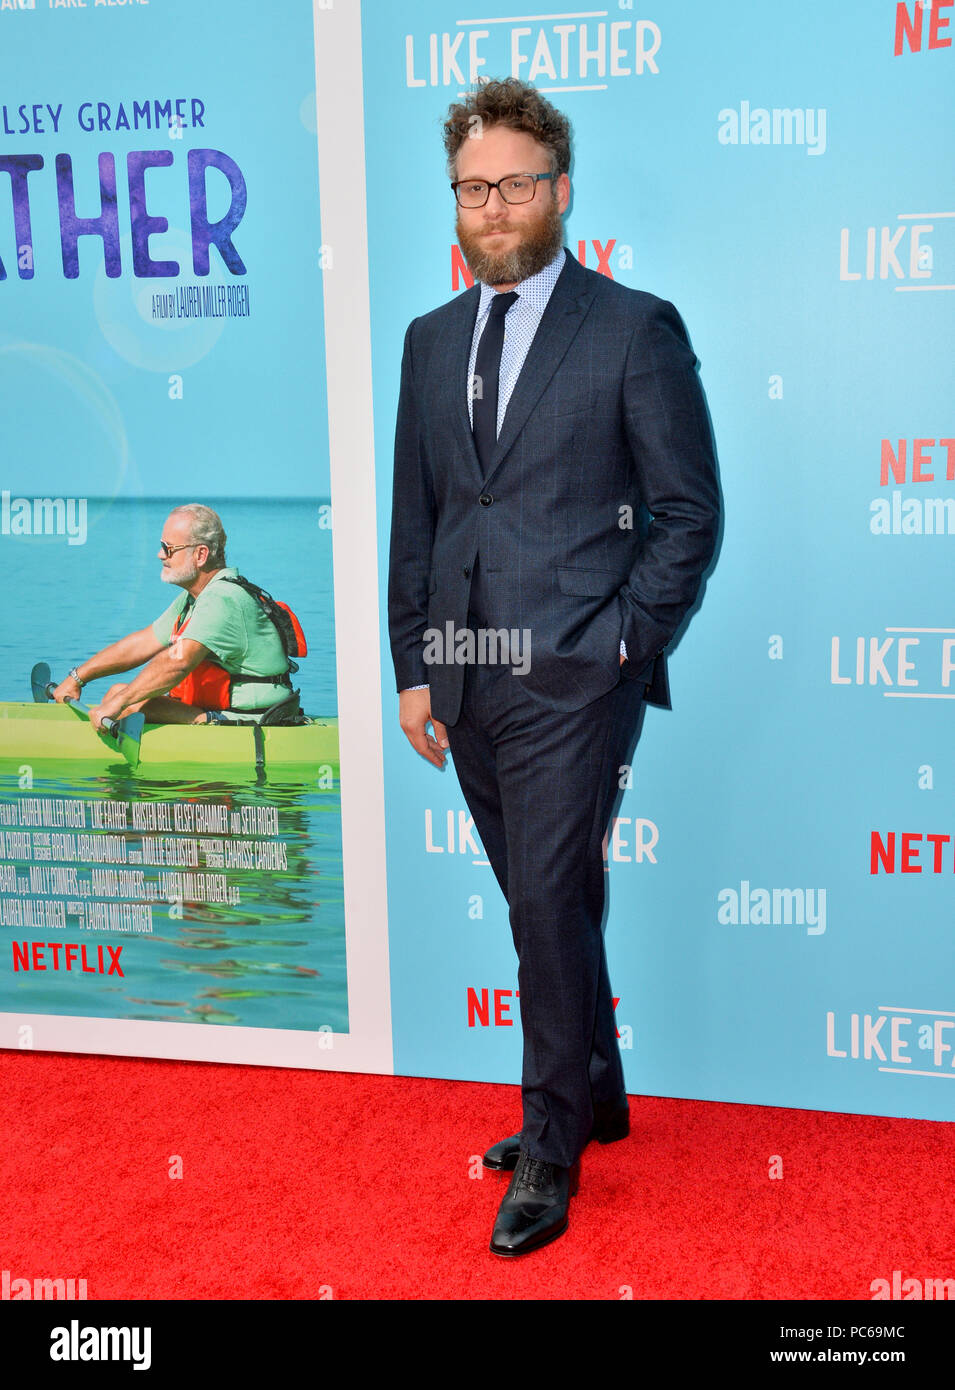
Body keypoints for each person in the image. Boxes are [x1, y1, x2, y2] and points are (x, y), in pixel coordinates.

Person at [388, 78, 721, 1257]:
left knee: (539, 905)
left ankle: (548, 1145)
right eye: (474, 187)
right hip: (466, 675)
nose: (493, 205)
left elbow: (688, 514)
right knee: (557, 895)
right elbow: (417, 520)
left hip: (579, 677)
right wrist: (413, 668)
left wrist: (622, 642)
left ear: (560, 191)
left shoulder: (633, 327)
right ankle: (602, 1089)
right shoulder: (432, 341)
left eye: (516, 182)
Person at [52, 503, 297, 730]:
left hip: (257, 721)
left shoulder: (222, 598)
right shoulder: (196, 597)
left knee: (128, 703)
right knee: (118, 693)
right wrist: (78, 677)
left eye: (168, 548)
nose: (160, 555)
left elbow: (178, 662)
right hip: (228, 712)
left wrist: (121, 702)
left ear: (200, 555)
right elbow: (141, 644)